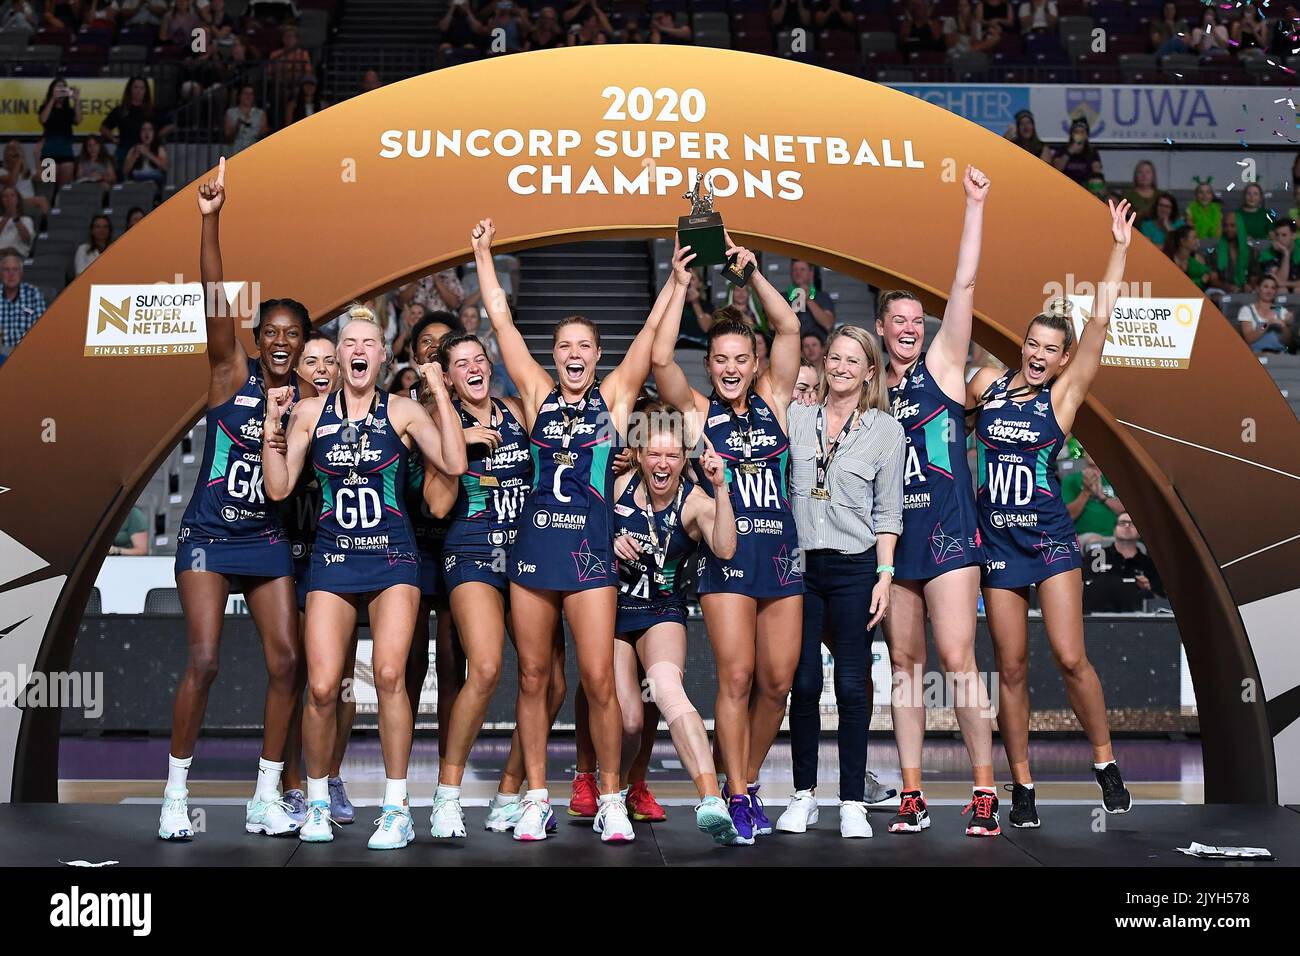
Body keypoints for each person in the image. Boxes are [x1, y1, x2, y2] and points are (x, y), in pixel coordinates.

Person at [477, 216, 669, 843]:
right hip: (535, 551)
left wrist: (675, 278)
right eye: (565, 347)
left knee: (598, 681)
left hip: (591, 556)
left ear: (597, 354)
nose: (575, 355)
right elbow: (501, 322)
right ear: (554, 354)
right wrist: (483, 252)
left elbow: (648, 337)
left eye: (585, 346)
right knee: (532, 678)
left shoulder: (614, 400)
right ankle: (537, 796)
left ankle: (610, 795)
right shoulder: (534, 394)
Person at [262, 321, 466, 850]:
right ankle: (317, 803)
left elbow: (454, 462)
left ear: (379, 357)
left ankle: (396, 809)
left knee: (391, 674)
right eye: (345, 344)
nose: (355, 351)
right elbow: (279, 487)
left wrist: (439, 390)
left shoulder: (402, 410)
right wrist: (270, 426)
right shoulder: (310, 413)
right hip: (333, 557)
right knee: (324, 686)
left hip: (393, 557)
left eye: (366, 344)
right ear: (335, 358)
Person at [967, 199, 1137, 828]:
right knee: (1010, 668)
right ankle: (1022, 785)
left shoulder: (1062, 398)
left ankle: (1105, 763)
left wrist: (1118, 249)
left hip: (1052, 542)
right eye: (1032, 344)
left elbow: (1099, 325)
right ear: (1023, 346)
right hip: (997, 546)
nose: (1039, 353)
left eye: (1050, 348)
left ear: (1063, 360)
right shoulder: (985, 384)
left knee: (1070, 658)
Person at [159, 157, 308, 843]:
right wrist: (211, 220)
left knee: (287, 663)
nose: (280, 341)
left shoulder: (310, 404)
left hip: (266, 537)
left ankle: (266, 794)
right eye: (270, 331)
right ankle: (174, 792)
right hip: (210, 536)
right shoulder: (229, 373)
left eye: (292, 334)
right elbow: (212, 294)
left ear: (304, 346)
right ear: (257, 340)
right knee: (206, 659)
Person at [652, 234, 803, 844]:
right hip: (728, 558)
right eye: (721, 359)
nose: (733, 368)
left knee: (777, 683)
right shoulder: (694, 413)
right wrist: (683, 283)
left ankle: (748, 775)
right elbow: (661, 361)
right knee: (736, 678)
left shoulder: (775, 399)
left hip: (783, 555)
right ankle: (736, 792)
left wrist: (755, 274)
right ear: (709, 365)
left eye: (742, 358)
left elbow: (790, 330)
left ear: (755, 363)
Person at [879, 166, 1000, 837]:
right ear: (881, 328)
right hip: (897, 540)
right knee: (904, 665)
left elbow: (965, 285)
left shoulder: (944, 366)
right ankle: (912, 793)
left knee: (957, 661)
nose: (908, 327)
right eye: (896, 320)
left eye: (914, 320)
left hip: (950, 534)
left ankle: (985, 790)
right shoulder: (870, 392)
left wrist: (973, 206)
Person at [421, 330, 570, 838]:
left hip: (528, 554)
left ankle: (509, 792)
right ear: (448, 376)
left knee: (552, 685)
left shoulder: (515, 410)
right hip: (473, 552)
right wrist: (454, 442)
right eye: (460, 364)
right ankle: (446, 795)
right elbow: (438, 505)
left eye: (479, 358)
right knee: (484, 668)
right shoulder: (443, 423)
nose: (473, 368)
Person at [777, 326, 903, 839]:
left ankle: (851, 799)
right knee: (803, 684)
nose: (843, 367)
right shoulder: (796, 418)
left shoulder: (885, 430)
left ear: (870, 371)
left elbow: (889, 511)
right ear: (824, 362)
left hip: (855, 569)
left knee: (853, 687)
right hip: (800, 570)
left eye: (854, 360)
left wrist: (885, 574)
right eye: (835, 357)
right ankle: (803, 794)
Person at [608, 393, 742, 845]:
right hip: (610, 611)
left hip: (661, 609)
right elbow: (580, 529)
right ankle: (613, 793)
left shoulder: (694, 499)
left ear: (683, 456)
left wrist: (722, 488)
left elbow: (724, 547)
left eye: (671, 454)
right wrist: (609, 541)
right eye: (654, 453)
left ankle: (710, 801)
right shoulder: (617, 484)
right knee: (627, 719)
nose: (662, 463)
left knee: (666, 688)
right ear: (640, 454)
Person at [276, 331, 341, 825]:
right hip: (289, 556)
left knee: (338, 685)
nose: (321, 369)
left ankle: (328, 775)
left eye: (330, 361)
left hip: (339, 560)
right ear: (297, 369)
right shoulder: (288, 419)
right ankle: (293, 785)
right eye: (311, 361)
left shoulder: (360, 419)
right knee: (298, 675)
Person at [1083, 513, 1165, 613]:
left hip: (1137, 622)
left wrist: (1149, 588)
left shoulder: (1149, 563)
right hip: (1096, 618)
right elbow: (1080, 586)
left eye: (1132, 524)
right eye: (1122, 523)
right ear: (1114, 530)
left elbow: (1162, 603)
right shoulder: (1095, 555)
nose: (1127, 527)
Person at [1061, 451, 1124, 551]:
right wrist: (1086, 492)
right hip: (1086, 537)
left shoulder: (1116, 478)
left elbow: (1123, 511)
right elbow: (1068, 516)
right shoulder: (1071, 479)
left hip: (1118, 536)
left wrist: (1102, 496)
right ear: (1084, 453)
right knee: (1095, 542)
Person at [100, 76, 157, 176]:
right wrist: (113, 139)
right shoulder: (121, 110)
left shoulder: (152, 111)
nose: (138, 91)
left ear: (145, 91)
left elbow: (170, 126)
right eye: (135, 87)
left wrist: (157, 137)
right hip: (124, 151)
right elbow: (103, 128)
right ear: (130, 89)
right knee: (122, 180)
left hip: (145, 152)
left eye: (142, 88)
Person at [0, 252, 44, 358]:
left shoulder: (34, 293)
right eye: (6, 270)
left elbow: (42, 328)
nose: (11, 274)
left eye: (15, 269)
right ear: (0, 273)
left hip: (26, 352)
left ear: (21, 273)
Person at [1237, 273, 1295, 353]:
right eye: (1265, 286)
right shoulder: (1247, 310)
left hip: (1279, 355)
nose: (1269, 291)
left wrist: (1284, 326)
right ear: (1258, 288)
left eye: (1273, 288)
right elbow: (1249, 339)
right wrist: (1266, 324)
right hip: (1257, 355)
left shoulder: (1279, 309)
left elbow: (1288, 343)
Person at [38, 78, 81, 186]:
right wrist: (53, 99)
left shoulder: (69, 110)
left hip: (66, 151)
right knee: (49, 186)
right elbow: (43, 119)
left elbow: (78, 120)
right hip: (49, 151)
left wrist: (76, 100)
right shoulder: (45, 107)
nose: (60, 90)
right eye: (57, 87)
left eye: (63, 87)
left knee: (64, 188)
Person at [785, 258, 834, 339]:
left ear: (811, 274)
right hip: (792, 347)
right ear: (791, 273)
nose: (798, 273)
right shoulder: (782, 297)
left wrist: (808, 299)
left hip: (819, 348)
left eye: (802, 269)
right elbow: (773, 326)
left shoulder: (823, 297)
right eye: (795, 270)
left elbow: (828, 324)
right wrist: (800, 299)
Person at [1052, 118, 1103, 186]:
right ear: (1071, 134)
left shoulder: (1092, 152)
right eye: (1076, 132)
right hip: (1065, 186)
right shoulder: (1062, 150)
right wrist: (1069, 152)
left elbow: (1097, 175)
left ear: (1086, 135)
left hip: (1086, 188)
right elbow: (1057, 169)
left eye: (1082, 132)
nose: (1079, 134)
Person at [1164, 224, 1213, 290]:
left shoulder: (1195, 260)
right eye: (1194, 238)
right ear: (1183, 241)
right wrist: (1201, 281)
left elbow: (1209, 273)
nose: (1197, 241)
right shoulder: (1168, 260)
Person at [122, 120, 168, 187]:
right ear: (139, 133)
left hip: (155, 185)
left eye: (150, 130)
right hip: (136, 185)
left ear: (154, 133)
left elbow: (165, 167)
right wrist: (135, 155)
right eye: (144, 130)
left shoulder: (159, 148)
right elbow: (125, 171)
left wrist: (148, 154)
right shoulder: (133, 149)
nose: (147, 132)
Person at [0, 186, 33, 258]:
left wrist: (15, 216)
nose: (9, 199)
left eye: (12, 195)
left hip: (18, 256)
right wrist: (7, 216)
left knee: (11, 251)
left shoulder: (27, 219)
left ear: (17, 199)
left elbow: (27, 240)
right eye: (5, 196)